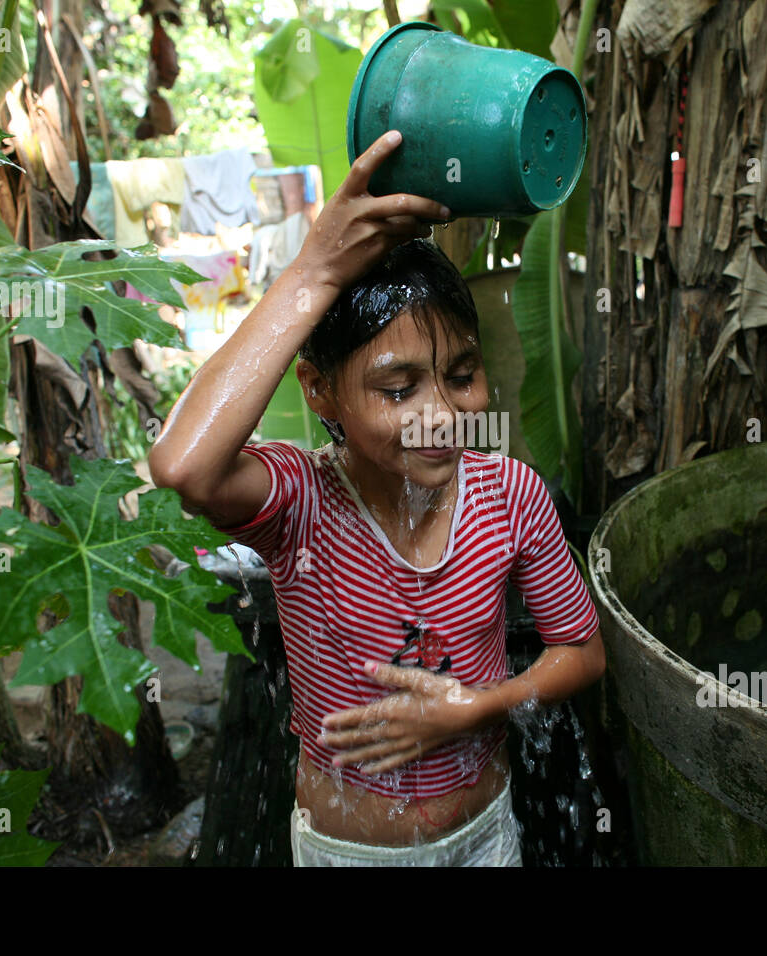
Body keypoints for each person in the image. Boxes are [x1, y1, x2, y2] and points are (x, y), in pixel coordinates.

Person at [148, 129, 605, 866]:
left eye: (461, 376)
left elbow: (580, 651)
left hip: (486, 838)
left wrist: (476, 708)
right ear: (320, 389)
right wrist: (314, 272)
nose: (441, 415)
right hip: (351, 853)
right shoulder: (300, 504)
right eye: (397, 389)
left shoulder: (511, 494)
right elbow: (183, 466)